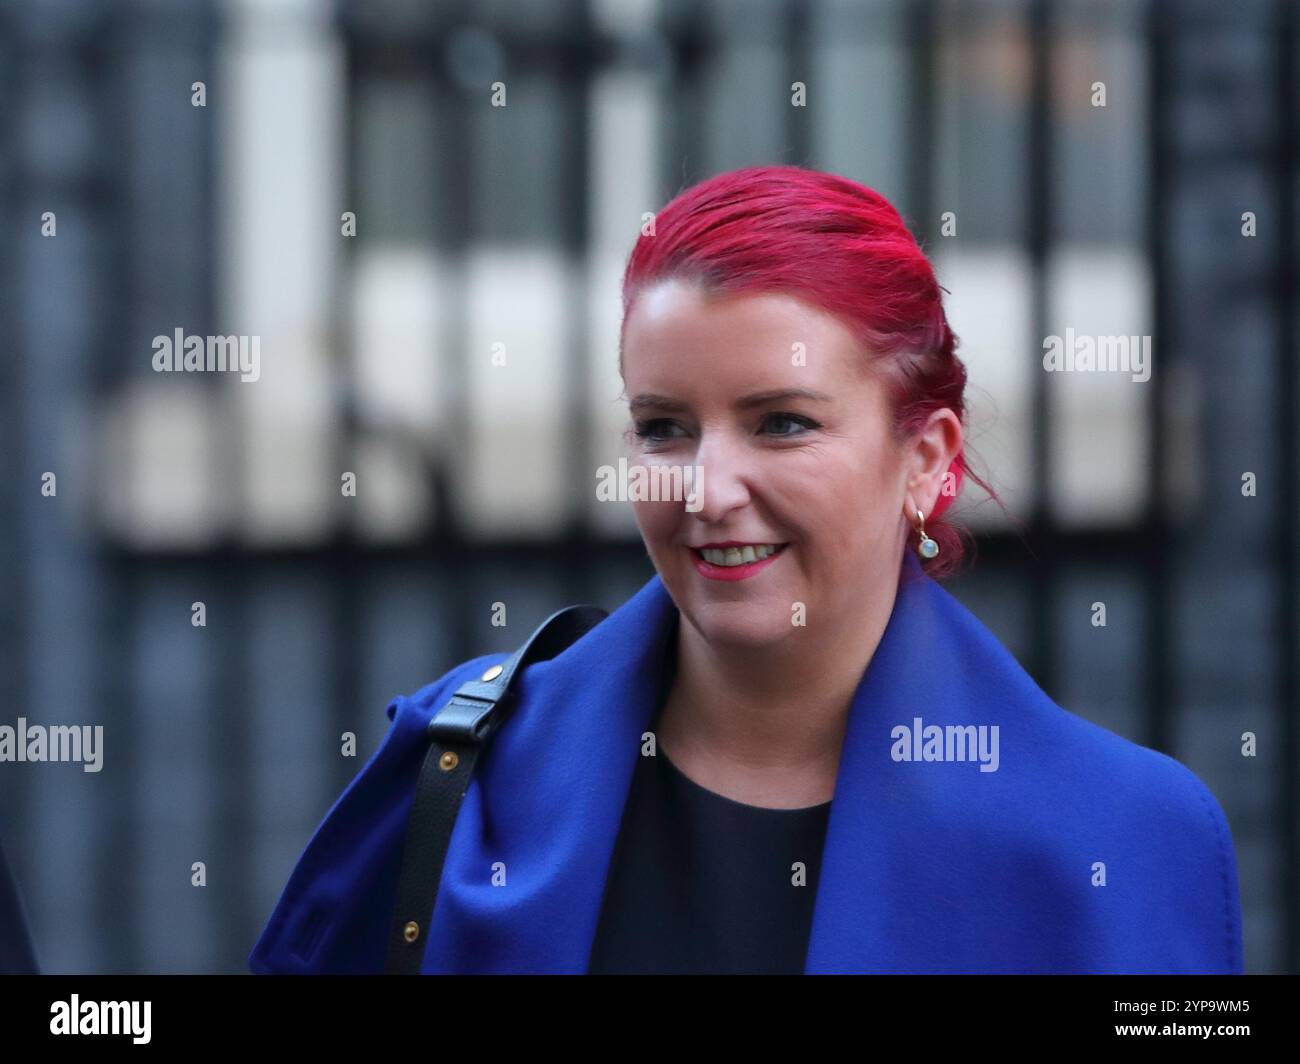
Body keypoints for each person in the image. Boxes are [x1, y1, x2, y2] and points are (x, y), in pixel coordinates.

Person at [249, 165, 1243, 974]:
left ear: (927, 456)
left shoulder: (1124, 836)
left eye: (781, 422)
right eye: (664, 428)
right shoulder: (454, 774)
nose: (708, 488)